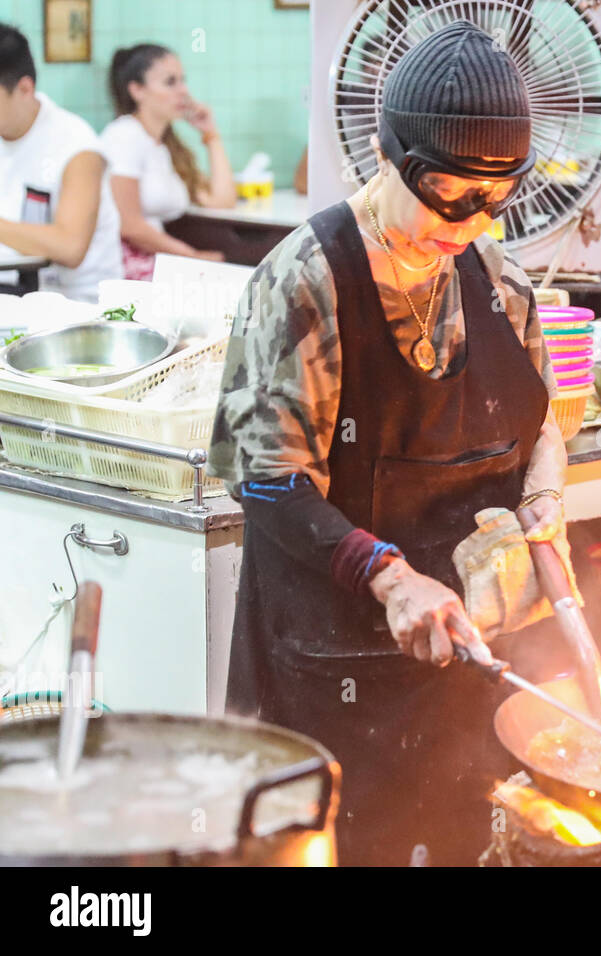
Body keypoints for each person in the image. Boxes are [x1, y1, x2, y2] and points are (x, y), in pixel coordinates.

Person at [210, 22, 570, 866]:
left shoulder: (503, 286)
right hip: (326, 673)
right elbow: (266, 484)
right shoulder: (307, 282)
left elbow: (542, 427)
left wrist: (545, 506)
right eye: (445, 191)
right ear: (384, 150)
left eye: (493, 200)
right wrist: (389, 574)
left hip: (460, 672)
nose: (466, 223)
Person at [0, 24, 121, 301]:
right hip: (10, 295)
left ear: (25, 88)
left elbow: (70, 246)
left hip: (75, 309)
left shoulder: (76, 145)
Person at [101, 44, 236, 280]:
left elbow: (222, 200)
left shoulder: (163, 147)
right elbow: (129, 224)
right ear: (137, 90)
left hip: (156, 265)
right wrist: (192, 256)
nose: (183, 91)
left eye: (183, 80)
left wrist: (211, 134)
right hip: (124, 273)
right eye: (170, 82)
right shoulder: (124, 136)